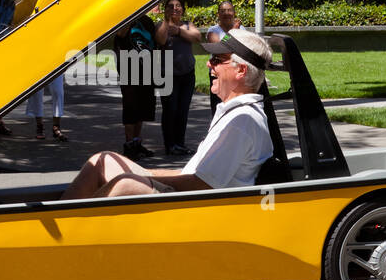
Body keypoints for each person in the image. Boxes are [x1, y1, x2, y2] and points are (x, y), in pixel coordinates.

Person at [63, 30, 273, 199]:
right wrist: (147, 174)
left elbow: (201, 185)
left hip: (198, 210)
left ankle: (69, 240)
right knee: (103, 161)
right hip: (193, 195)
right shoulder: (236, 114)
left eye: (218, 60)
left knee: (125, 185)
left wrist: (138, 177)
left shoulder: (242, 121)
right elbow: (195, 173)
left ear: (241, 71)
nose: (209, 64)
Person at [114, 6, 167, 159]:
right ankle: (129, 145)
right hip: (128, 69)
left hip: (147, 69)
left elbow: (157, 42)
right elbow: (120, 33)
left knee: (143, 109)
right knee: (131, 108)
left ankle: (137, 143)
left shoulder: (147, 21)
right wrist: (131, 17)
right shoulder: (123, 19)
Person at [159, 0, 200, 155]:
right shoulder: (161, 25)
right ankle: (170, 145)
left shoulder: (188, 25)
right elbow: (160, 40)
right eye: (171, 6)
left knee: (183, 110)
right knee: (170, 110)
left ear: (183, 9)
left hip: (187, 74)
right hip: (167, 75)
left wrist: (179, 31)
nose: (175, 9)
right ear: (165, 10)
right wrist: (167, 22)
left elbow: (196, 37)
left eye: (178, 6)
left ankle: (180, 144)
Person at [205, 1, 242, 115]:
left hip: (237, 75)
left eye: (229, 10)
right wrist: (233, 32)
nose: (226, 13)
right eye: (223, 11)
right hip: (219, 75)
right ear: (218, 14)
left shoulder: (242, 29)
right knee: (219, 109)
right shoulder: (213, 31)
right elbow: (220, 49)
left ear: (234, 13)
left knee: (236, 109)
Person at [26, 73, 67, 140]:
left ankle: (56, 127)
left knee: (58, 92)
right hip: (37, 64)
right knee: (37, 93)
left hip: (55, 64)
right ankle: (39, 127)